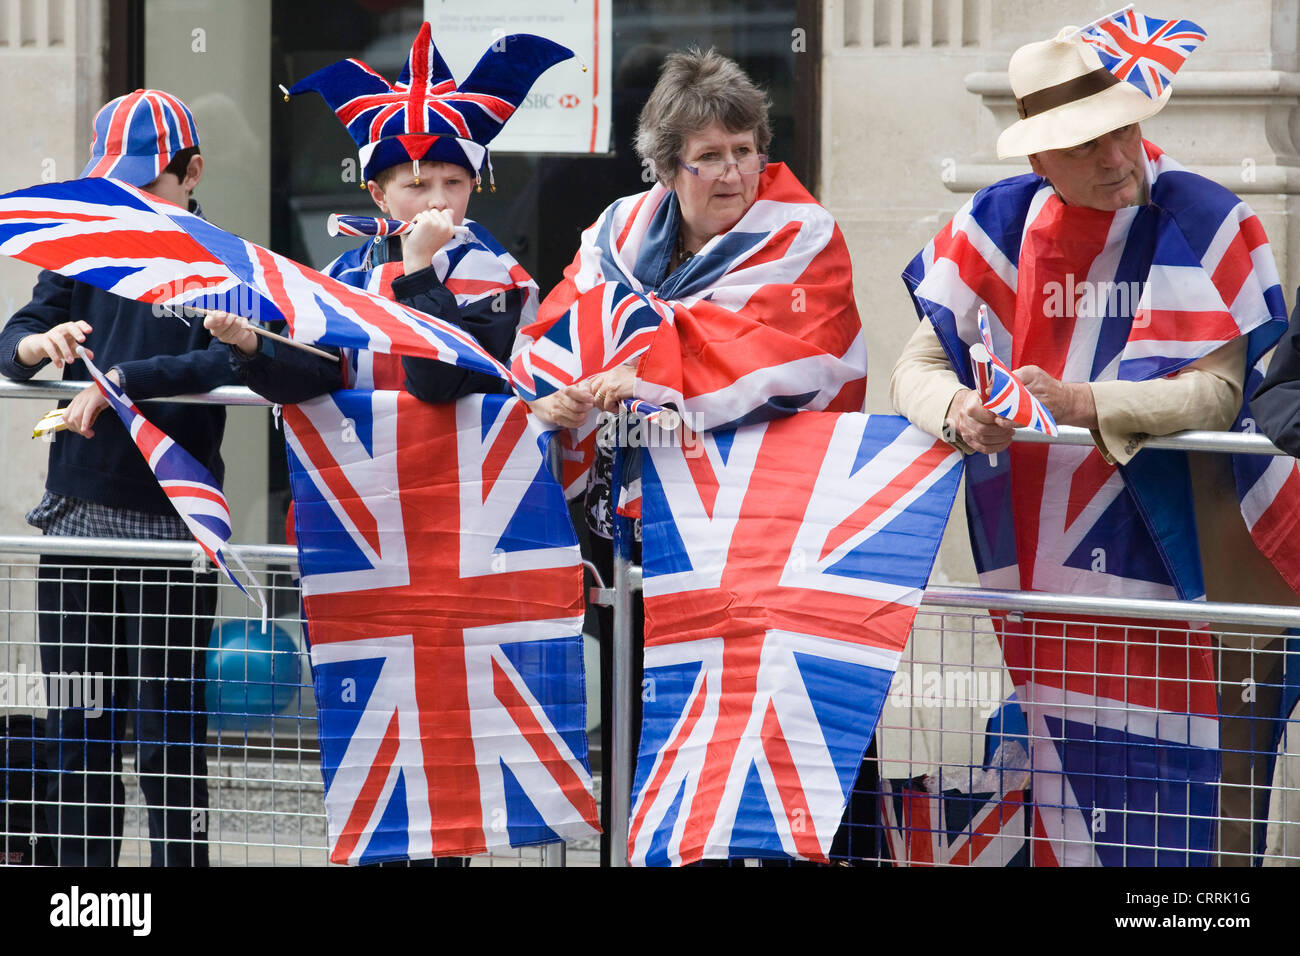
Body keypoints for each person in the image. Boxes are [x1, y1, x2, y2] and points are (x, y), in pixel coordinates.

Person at [891, 26, 1296, 865]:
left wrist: (1077, 402)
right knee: (1062, 783)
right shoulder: (994, 221)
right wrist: (960, 411)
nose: (1117, 155)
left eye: (1123, 128)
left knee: (1202, 806)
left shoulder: (1206, 215)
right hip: (1042, 570)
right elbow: (915, 366)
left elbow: (1219, 393)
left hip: (1194, 562)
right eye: (1087, 144)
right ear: (1042, 160)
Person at [205, 24, 572, 867]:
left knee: (457, 741)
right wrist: (253, 347)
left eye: (451, 180)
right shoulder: (337, 277)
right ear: (378, 192)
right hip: (365, 539)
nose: (434, 199)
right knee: (371, 740)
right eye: (413, 183)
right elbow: (314, 376)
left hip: (464, 544)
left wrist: (415, 274)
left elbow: (446, 379)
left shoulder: (504, 278)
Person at [514, 47, 867, 863]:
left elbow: (790, 361)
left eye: (745, 150)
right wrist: (572, 386)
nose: (735, 172)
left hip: (758, 540)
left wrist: (633, 360)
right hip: (631, 535)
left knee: (767, 743)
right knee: (647, 736)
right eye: (710, 157)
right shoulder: (616, 232)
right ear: (667, 168)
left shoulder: (803, 237)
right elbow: (564, 330)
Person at [0, 89, 238, 866]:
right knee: (75, 727)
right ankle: (80, 896)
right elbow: (18, 335)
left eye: (142, 185)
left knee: (168, 740)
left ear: (192, 171)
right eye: (113, 186)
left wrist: (122, 378)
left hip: (172, 526)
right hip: (74, 521)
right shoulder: (85, 250)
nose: (126, 201)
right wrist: (43, 344)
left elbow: (236, 359)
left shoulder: (221, 256)